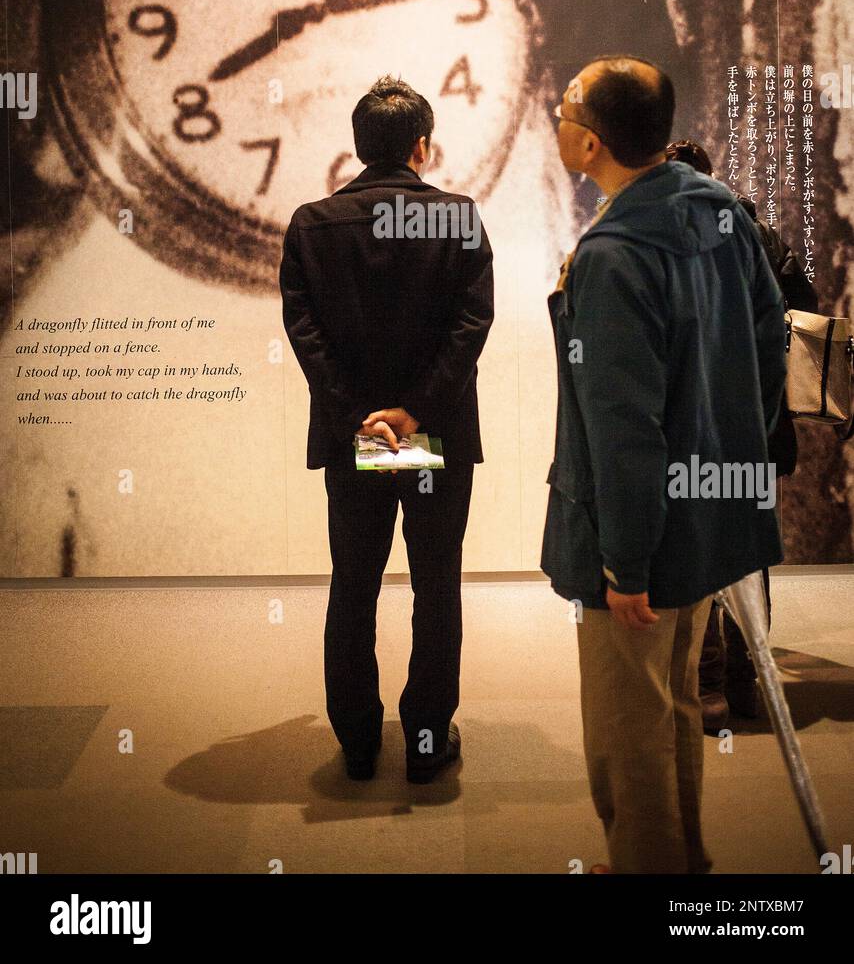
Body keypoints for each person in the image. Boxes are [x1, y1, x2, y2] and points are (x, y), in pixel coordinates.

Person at [541, 56, 787, 874]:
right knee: (675, 704)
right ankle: (683, 865)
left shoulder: (613, 257)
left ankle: (650, 866)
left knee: (628, 729)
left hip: (640, 537)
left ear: (592, 141)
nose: (557, 113)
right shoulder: (718, 212)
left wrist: (625, 560)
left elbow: (623, 430)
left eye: (567, 106)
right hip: (704, 522)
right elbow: (768, 350)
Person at [280, 75, 494, 783]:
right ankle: (427, 743)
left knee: (354, 584)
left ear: (357, 147)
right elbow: (470, 326)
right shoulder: (458, 219)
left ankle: (360, 742)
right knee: (437, 585)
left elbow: (305, 331)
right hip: (433, 440)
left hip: (354, 438)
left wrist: (361, 418)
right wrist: (416, 412)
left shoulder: (313, 224)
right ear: (422, 147)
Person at [665, 139, 818, 728]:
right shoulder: (761, 235)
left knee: (700, 555)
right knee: (748, 552)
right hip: (755, 426)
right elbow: (804, 313)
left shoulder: (666, 243)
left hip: (696, 430)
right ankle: (747, 677)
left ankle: (708, 689)